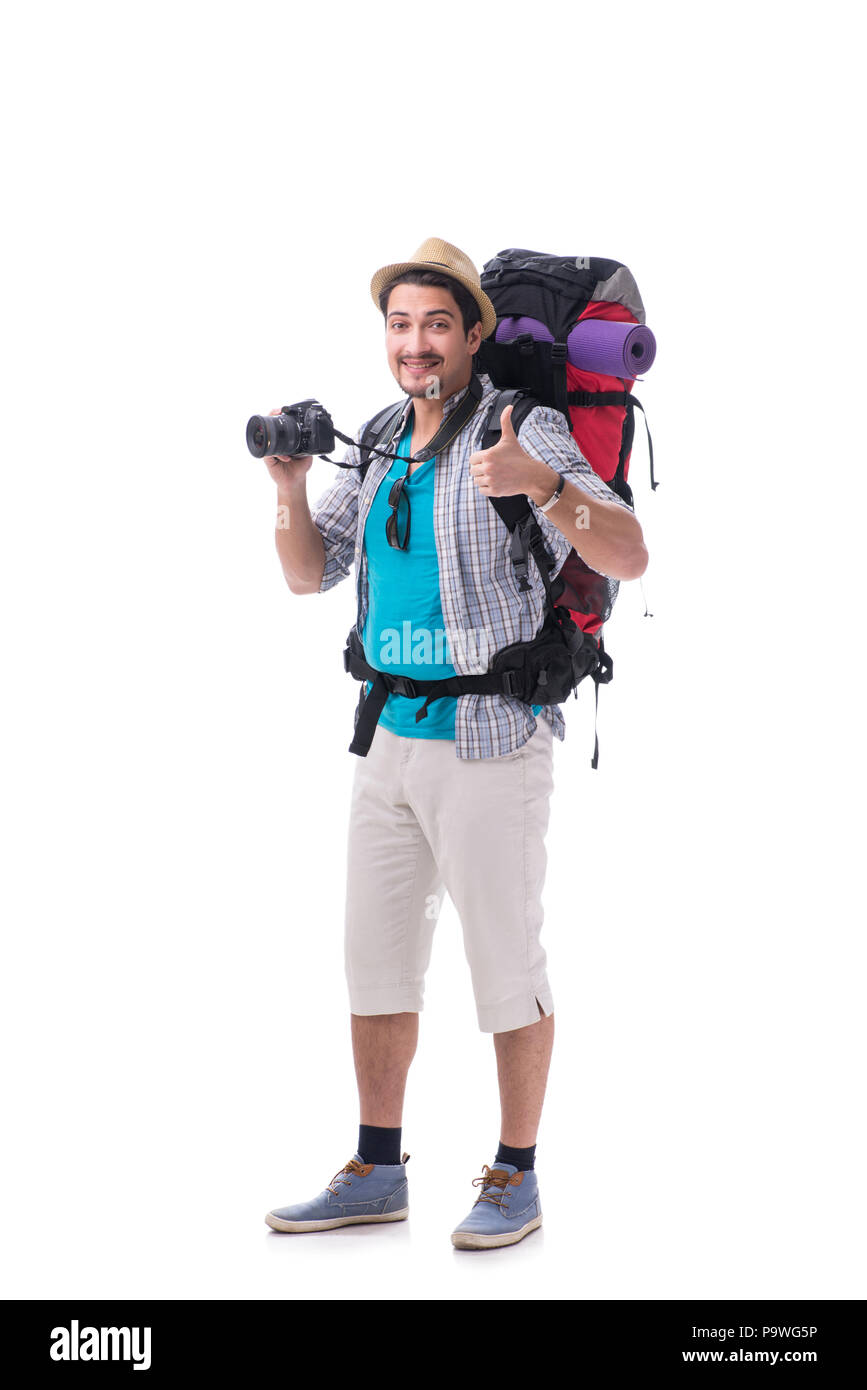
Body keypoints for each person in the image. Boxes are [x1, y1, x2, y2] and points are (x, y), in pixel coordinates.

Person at [263, 238, 648, 1249]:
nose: (416, 343)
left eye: (437, 323)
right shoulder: (384, 434)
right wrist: (287, 484)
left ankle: (515, 1175)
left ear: (473, 333)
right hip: (388, 737)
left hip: (492, 738)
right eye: (400, 325)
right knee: (375, 965)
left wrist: (542, 482)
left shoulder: (529, 425)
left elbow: (628, 552)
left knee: (505, 965)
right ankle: (377, 1167)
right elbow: (309, 574)